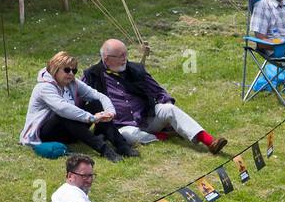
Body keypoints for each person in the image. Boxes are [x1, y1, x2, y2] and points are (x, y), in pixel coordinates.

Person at [81, 39, 227, 154]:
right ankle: (163, 136)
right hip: (121, 125)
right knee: (128, 135)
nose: (125, 58)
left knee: (169, 109)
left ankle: (209, 142)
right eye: (120, 56)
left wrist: (166, 108)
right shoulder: (92, 75)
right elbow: (78, 98)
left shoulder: (136, 69)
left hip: (147, 117)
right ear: (106, 59)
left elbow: (159, 91)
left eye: (126, 53)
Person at [20, 51, 136, 161]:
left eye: (74, 71)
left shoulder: (73, 83)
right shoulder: (44, 87)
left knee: (96, 103)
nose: (71, 73)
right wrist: (92, 118)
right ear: (55, 69)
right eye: (66, 70)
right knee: (64, 114)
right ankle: (104, 149)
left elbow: (99, 96)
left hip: (70, 130)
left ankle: (122, 145)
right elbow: (62, 108)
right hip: (45, 134)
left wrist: (110, 111)